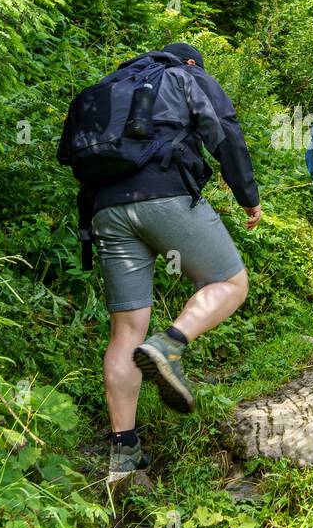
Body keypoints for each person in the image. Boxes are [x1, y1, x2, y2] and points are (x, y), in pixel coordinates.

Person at [85, 42, 262, 479]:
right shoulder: (184, 75)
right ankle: (170, 346)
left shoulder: (113, 86)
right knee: (229, 282)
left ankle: (124, 455)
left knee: (126, 330)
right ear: (190, 63)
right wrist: (248, 197)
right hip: (164, 194)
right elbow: (224, 132)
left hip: (105, 209)